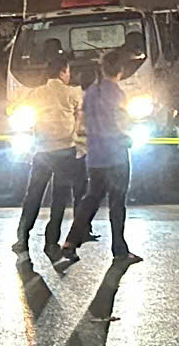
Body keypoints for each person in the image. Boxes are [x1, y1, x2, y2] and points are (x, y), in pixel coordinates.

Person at [56, 49, 140, 268]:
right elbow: (121, 123)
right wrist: (128, 137)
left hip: (95, 157)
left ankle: (71, 241)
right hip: (116, 156)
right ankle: (119, 250)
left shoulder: (91, 92)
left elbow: (82, 121)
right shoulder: (118, 94)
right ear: (120, 70)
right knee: (117, 203)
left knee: (91, 198)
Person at [11, 56, 85, 254]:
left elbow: (19, 112)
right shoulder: (73, 93)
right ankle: (51, 242)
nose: (69, 75)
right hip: (66, 151)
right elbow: (81, 118)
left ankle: (22, 239)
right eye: (68, 71)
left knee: (33, 195)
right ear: (62, 72)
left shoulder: (36, 93)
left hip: (42, 152)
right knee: (59, 197)